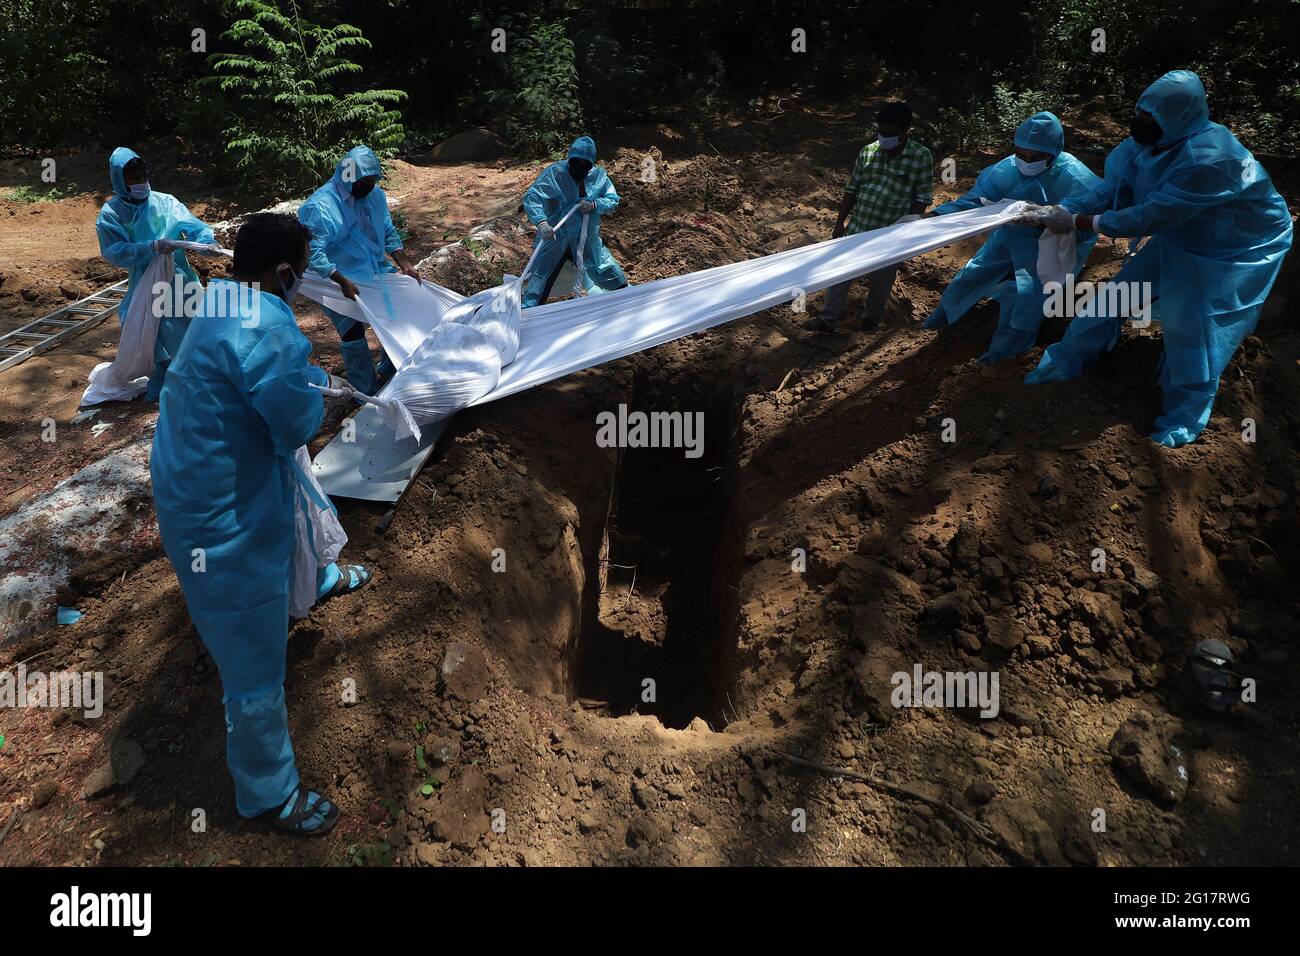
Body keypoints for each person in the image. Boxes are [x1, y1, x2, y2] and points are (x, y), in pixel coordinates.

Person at [151, 212, 372, 835]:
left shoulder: (220, 301)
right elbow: (296, 426)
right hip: (220, 512)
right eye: (302, 271)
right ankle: (268, 795)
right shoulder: (268, 327)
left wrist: (302, 377)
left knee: (292, 518)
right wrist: (315, 391)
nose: (304, 281)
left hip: (198, 476)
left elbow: (255, 385)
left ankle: (313, 579)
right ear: (283, 272)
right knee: (252, 661)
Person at [1023, 70, 1292, 447]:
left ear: (1178, 118)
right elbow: (1113, 191)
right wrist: (1064, 208)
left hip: (1236, 249)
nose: (1139, 124)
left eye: (1150, 119)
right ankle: (1067, 359)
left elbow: (1150, 216)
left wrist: (1077, 222)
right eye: (1139, 113)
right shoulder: (1143, 145)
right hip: (1182, 236)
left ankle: (1183, 417)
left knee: (1195, 328)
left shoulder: (1212, 159)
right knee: (1113, 298)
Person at [921, 112, 1104, 363]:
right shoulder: (1007, 169)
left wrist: (1048, 219)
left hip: (1054, 243)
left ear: (1054, 152)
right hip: (1010, 233)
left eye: (1036, 157)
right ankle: (940, 319)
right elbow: (976, 201)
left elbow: (1088, 222)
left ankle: (1003, 352)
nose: (1026, 162)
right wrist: (935, 216)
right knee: (973, 273)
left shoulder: (1076, 178)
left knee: (1027, 294)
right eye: (1021, 154)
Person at [95, 147, 215, 400]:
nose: (140, 183)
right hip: (145, 281)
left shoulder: (165, 202)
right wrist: (150, 247)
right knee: (152, 329)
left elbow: (194, 226)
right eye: (133, 179)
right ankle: (165, 381)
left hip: (179, 277)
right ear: (120, 180)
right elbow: (114, 250)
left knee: (188, 324)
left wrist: (206, 242)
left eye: (142, 176)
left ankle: (194, 377)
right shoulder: (112, 213)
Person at [298, 145, 419, 395]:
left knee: (393, 316)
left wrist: (405, 264)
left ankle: (392, 369)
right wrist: (340, 280)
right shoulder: (321, 206)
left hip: (375, 270)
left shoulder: (375, 197)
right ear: (347, 177)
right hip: (336, 277)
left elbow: (387, 231)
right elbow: (314, 252)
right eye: (364, 182)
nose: (370, 186)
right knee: (352, 331)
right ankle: (366, 391)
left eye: (374, 180)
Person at [808, 102, 933, 332]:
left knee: (881, 281)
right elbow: (852, 189)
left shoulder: (920, 157)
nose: (885, 138)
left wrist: (910, 225)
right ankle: (827, 320)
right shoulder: (868, 152)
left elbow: (923, 196)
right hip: (859, 227)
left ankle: (870, 322)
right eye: (881, 132)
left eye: (891, 134)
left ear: (906, 131)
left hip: (891, 233)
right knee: (839, 274)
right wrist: (839, 222)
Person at [521, 135, 628, 308]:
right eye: (576, 162)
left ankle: (628, 298)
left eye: (585, 165)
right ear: (569, 159)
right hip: (556, 237)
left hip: (586, 238)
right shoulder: (555, 173)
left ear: (591, 164)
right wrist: (541, 223)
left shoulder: (598, 176)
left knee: (605, 267)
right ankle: (527, 313)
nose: (580, 167)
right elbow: (533, 197)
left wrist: (594, 204)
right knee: (541, 276)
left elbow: (612, 199)